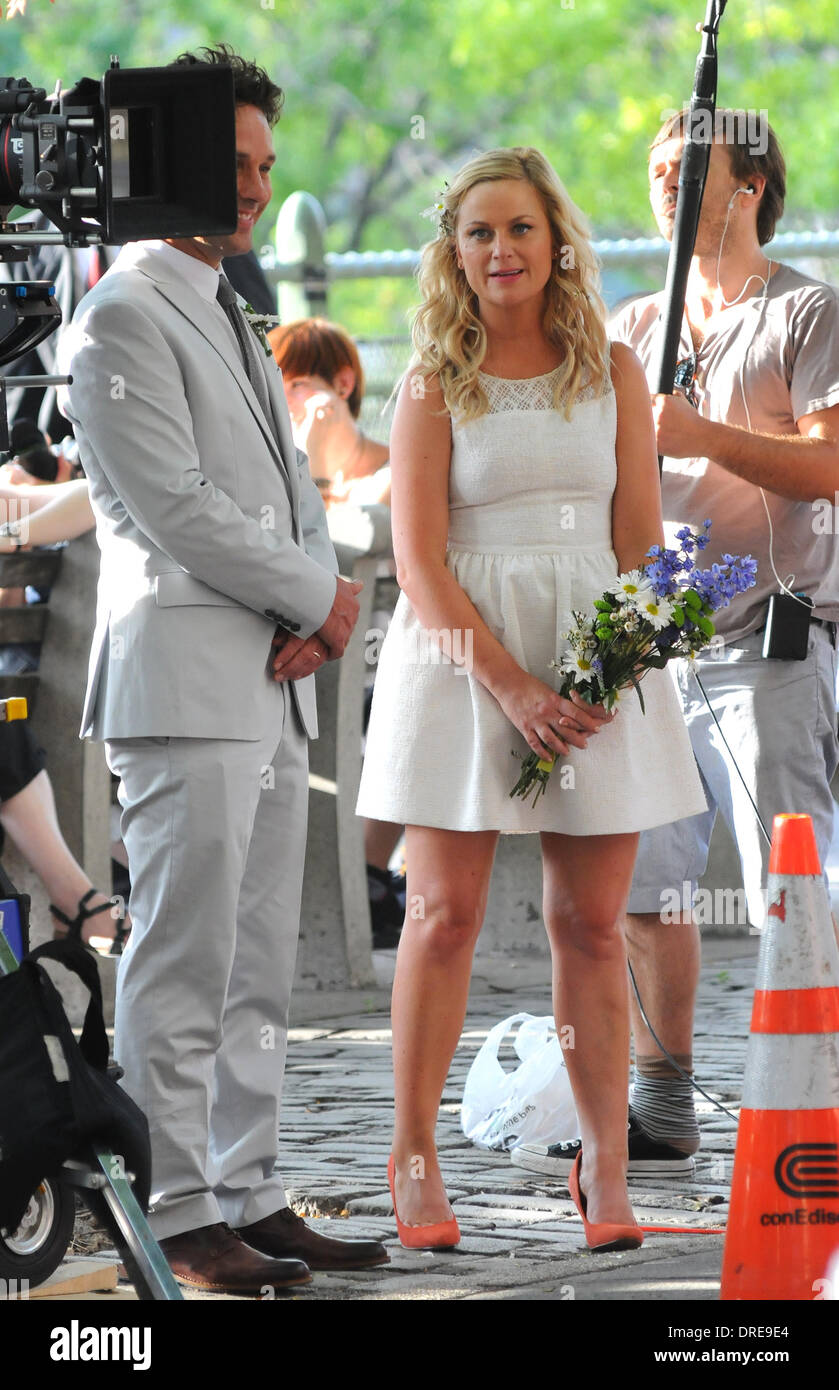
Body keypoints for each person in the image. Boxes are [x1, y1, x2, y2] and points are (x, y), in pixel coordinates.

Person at [58, 45, 387, 1294]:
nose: (254, 188)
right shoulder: (125, 310)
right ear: (182, 158)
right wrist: (328, 597)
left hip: (266, 673)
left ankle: (246, 1188)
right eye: (235, 162)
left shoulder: (218, 298)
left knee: (255, 963)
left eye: (263, 166)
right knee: (184, 957)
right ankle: (176, 1205)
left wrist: (319, 605)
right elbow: (175, 508)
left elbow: (286, 495)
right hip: (188, 682)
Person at [356, 146, 707, 1251]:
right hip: (463, 666)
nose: (499, 250)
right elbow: (417, 566)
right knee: (439, 915)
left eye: (517, 229)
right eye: (476, 233)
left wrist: (651, 635)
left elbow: (638, 541)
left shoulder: (611, 370)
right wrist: (510, 688)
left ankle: (604, 1167)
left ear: (555, 241)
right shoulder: (428, 381)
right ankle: (411, 1160)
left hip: (592, 667)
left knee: (590, 925)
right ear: (451, 255)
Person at [513, 109, 839, 1183]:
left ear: (748, 184)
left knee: (791, 882)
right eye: (653, 168)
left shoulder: (804, 311)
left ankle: (812, 1100)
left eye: (685, 168)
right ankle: (662, 1099)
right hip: (653, 646)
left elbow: (825, 464)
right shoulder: (638, 322)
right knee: (647, 883)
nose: (661, 184)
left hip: (766, 642)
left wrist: (697, 436)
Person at [270, 318, 403, 943]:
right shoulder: (280, 469)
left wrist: (317, 462)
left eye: (296, 385)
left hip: (382, 675)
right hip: (315, 670)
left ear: (341, 383)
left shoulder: (395, 469)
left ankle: (369, 875)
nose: (287, 401)